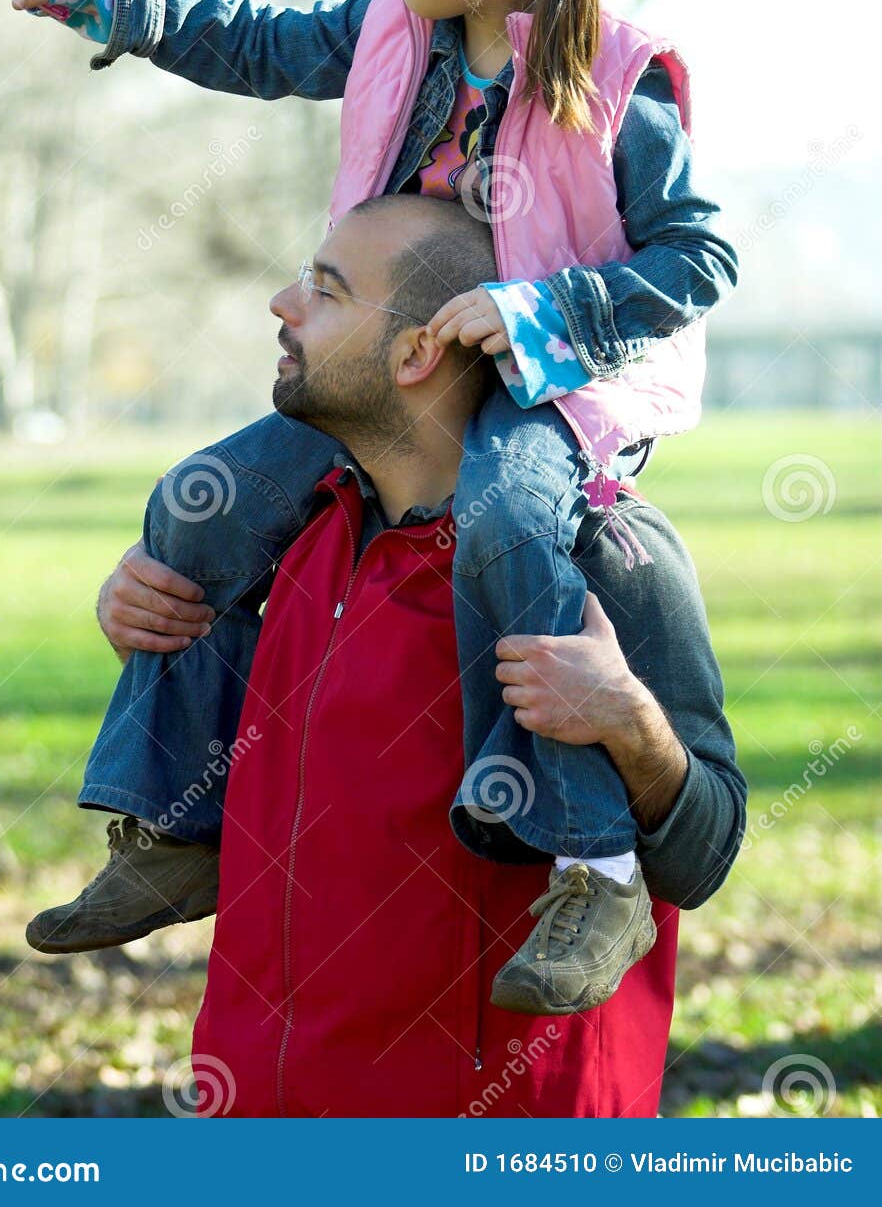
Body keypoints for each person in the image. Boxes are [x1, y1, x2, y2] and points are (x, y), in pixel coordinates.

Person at [0, 0, 739, 1013]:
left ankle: (593, 865)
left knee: (506, 520)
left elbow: (698, 257)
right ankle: (177, 830)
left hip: (549, 390)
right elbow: (250, 39)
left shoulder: (618, 79)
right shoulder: (392, 21)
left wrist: (535, 311)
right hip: (396, 373)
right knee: (198, 508)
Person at [144, 200, 746, 1115]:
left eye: (325, 290)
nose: (282, 303)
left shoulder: (604, 550)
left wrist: (626, 719)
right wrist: (148, 605)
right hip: (263, 1104)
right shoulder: (298, 543)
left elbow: (706, 850)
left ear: (417, 353)